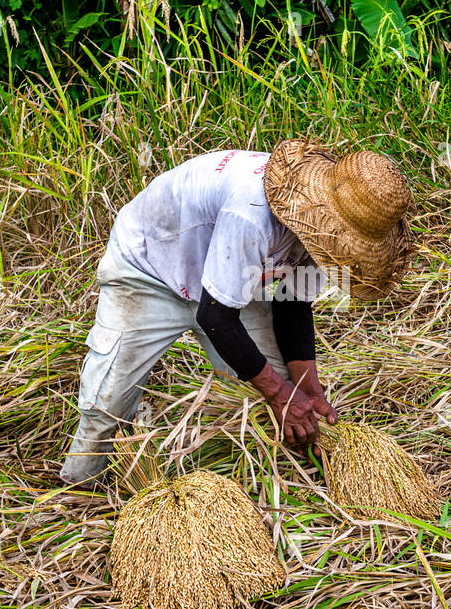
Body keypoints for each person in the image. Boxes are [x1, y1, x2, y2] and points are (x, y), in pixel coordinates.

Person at [59, 138, 413, 486]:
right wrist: (278, 393)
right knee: (109, 399)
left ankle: (277, 481)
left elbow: (292, 306)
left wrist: (308, 390)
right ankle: (82, 488)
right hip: (150, 267)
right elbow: (215, 318)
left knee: (284, 392)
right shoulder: (252, 214)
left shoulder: (330, 238)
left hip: (228, 277)